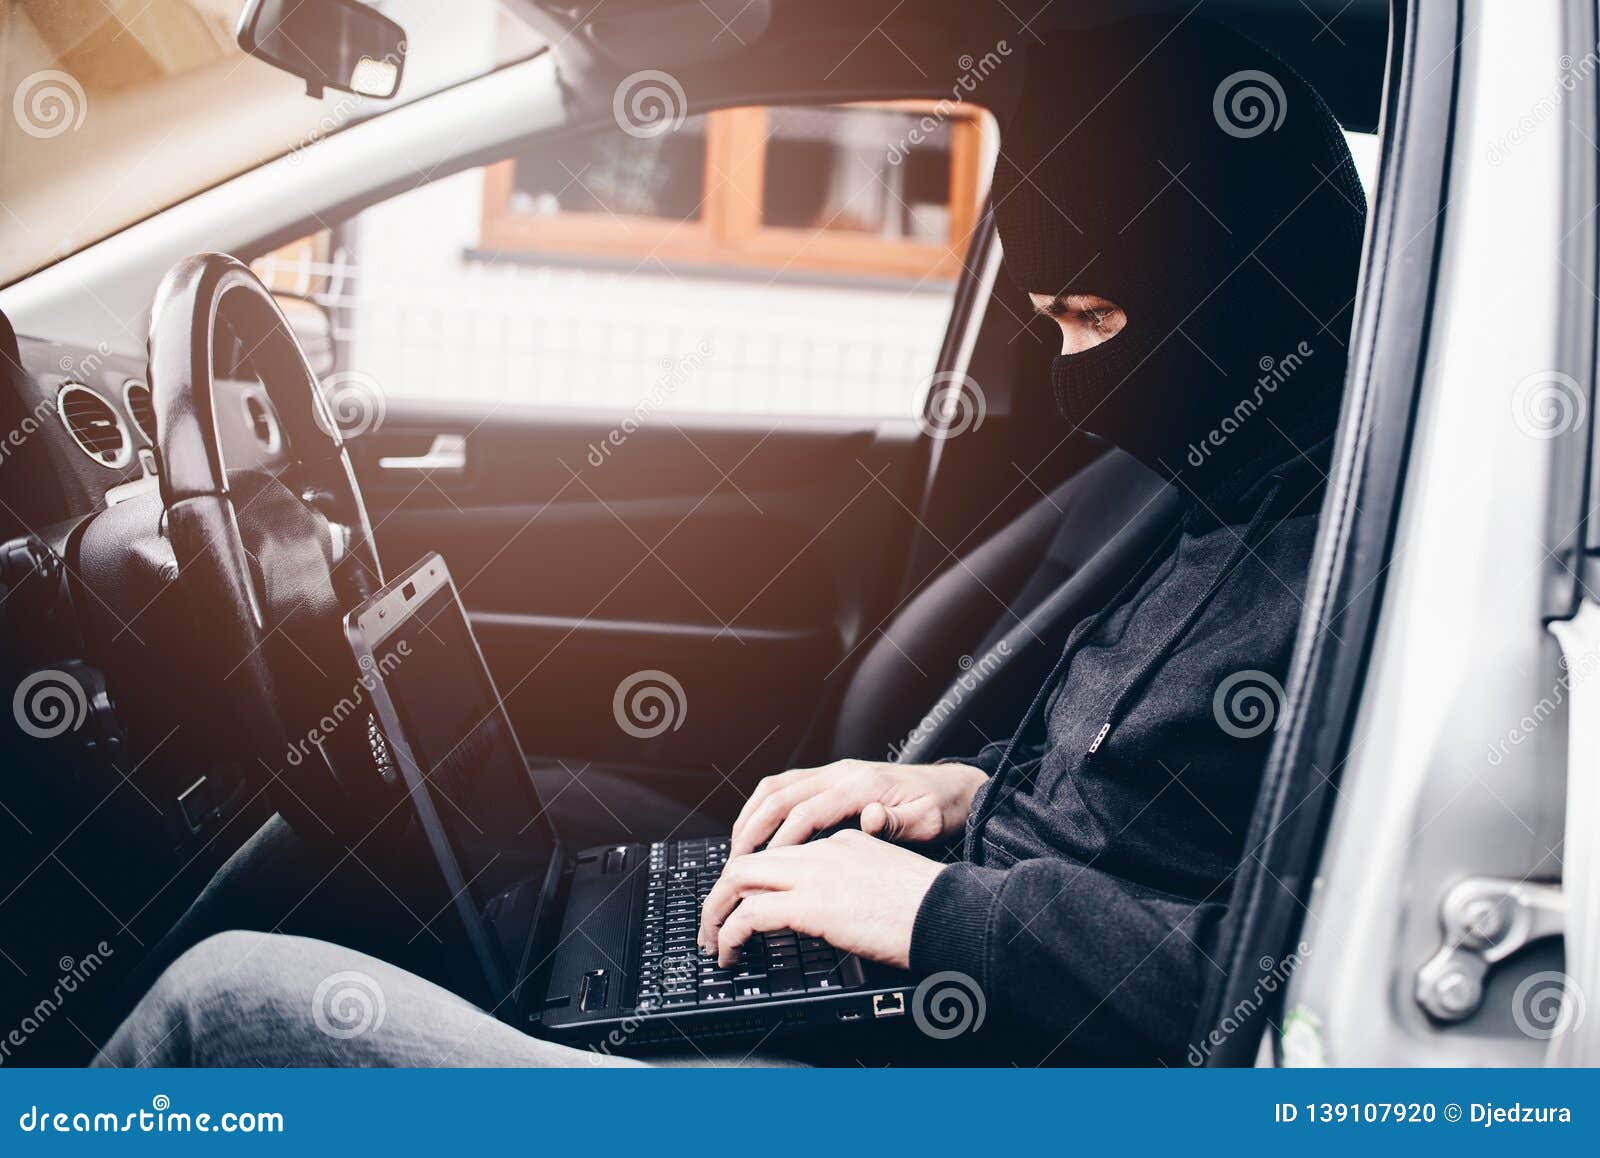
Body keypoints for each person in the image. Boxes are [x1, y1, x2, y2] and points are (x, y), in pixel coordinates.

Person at [96, 14, 1366, 1068]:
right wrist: (956, 793)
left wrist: (950, 920)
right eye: (1045, 320)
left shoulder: (1370, 579)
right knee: (430, 864)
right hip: (925, 986)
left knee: (223, 1011)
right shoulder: (1220, 502)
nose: (1069, 370)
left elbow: (1295, 995)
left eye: (1090, 318)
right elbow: (1140, 816)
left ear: (1236, 282)